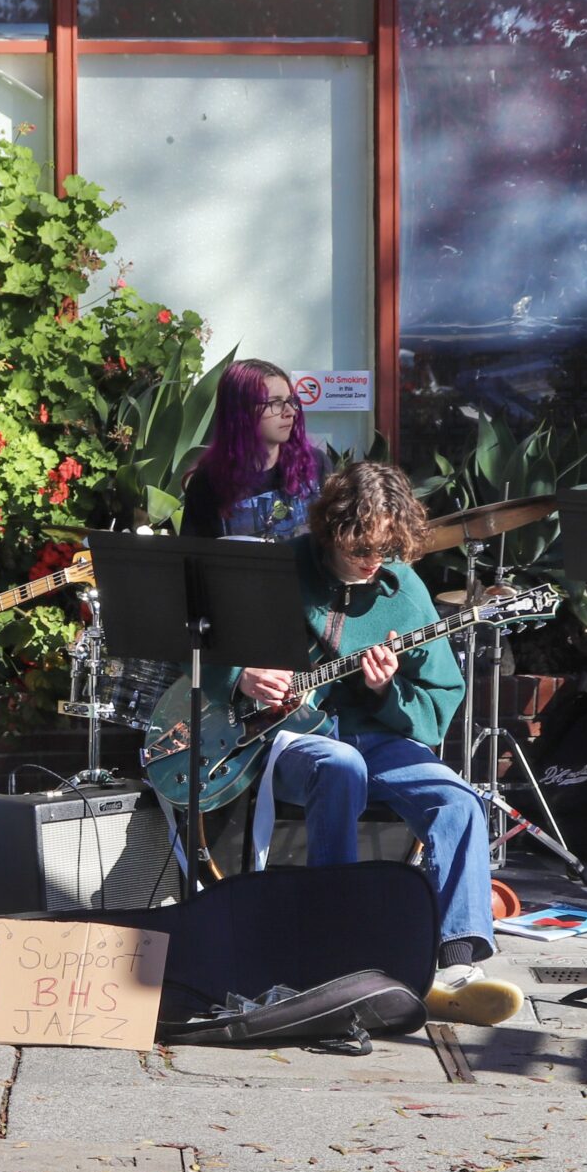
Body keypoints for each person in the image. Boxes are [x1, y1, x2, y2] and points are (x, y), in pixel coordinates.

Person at [234, 461, 524, 1028]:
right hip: (285, 737)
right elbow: (209, 646)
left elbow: (438, 699)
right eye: (359, 547)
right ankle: (337, 950)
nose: (372, 561)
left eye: (386, 548)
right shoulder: (281, 568)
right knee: (339, 766)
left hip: (377, 738)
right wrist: (243, 677)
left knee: (458, 800)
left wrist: (387, 690)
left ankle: (456, 966)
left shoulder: (403, 586)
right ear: (330, 529)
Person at [180, 357, 324, 541]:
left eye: (290, 400)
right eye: (275, 403)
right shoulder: (208, 482)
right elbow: (195, 558)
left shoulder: (314, 464)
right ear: (241, 412)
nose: (290, 412)